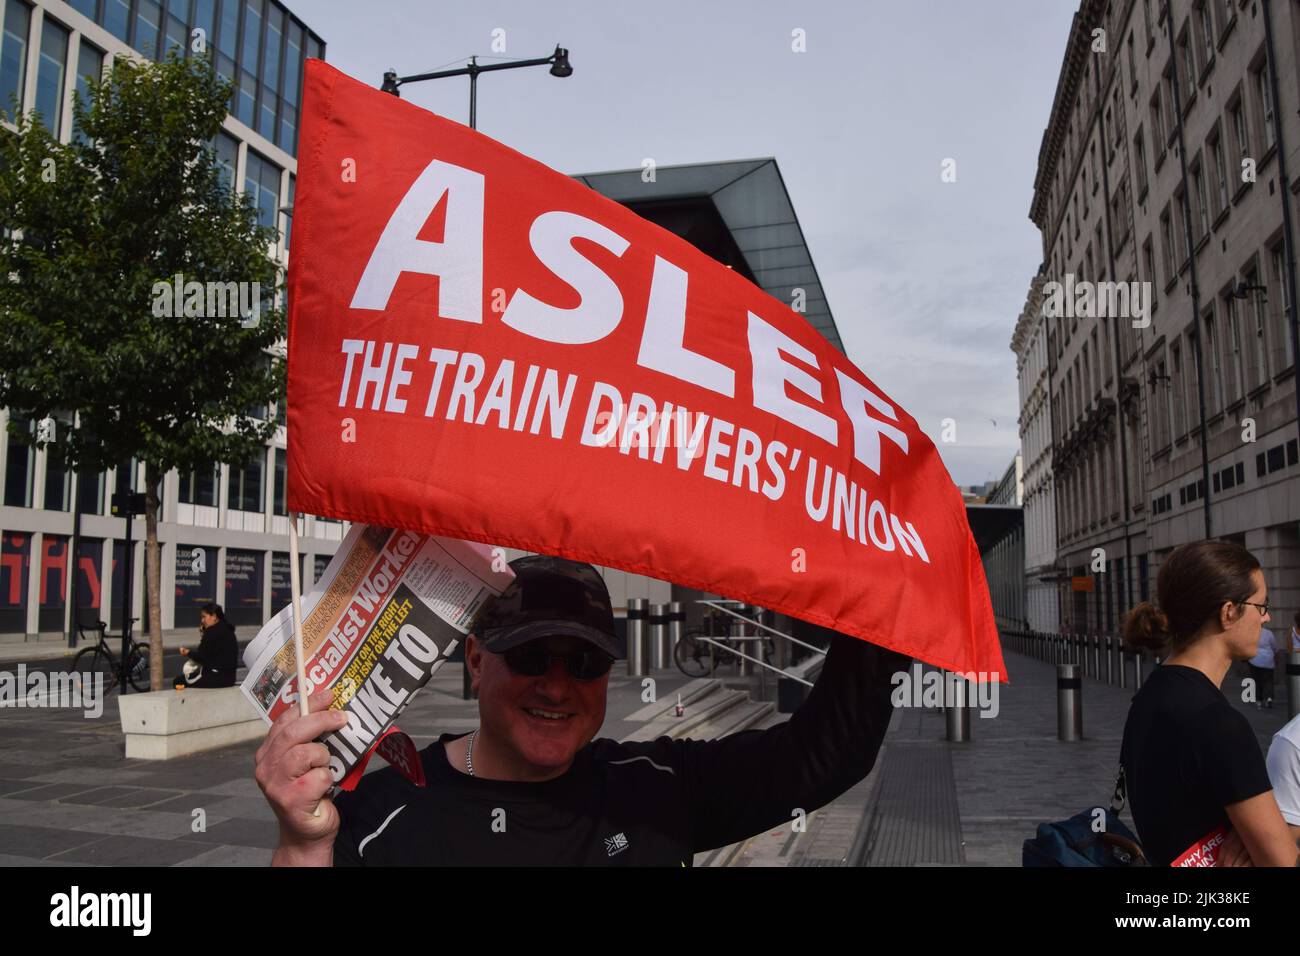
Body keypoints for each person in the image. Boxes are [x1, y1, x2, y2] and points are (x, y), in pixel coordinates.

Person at [255, 554, 909, 865]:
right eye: (533, 657)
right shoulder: (383, 814)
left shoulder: (655, 787)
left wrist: (878, 593)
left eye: (586, 662)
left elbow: (826, 756)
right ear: (477, 662)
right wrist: (301, 845)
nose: (558, 686)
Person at [1119, 539, 1297, 867]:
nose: (1267, 617)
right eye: (1262, 605)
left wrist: (1246, 834)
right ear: (1229, 613)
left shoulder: (1149, 695)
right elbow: (1283, 862)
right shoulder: (1218, 722)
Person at [173, 602, 238, 689]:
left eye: (204, 617)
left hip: (214, 678)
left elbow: (201, 657)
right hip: (230, 679)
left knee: (178, 681)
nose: (202, 620)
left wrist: (188, 652)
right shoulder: (228, 630)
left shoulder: (211, 632)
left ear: (214, 616)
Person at [1246, 625, 1278, 709]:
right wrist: (1276, 657)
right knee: (1268, 681)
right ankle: (1268, 699)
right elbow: (1274, 646)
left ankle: (1259, 701)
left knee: (1257, 681)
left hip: (1254, 660)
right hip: (1268, 661)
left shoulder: (1251, 633)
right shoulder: (1268, 633)